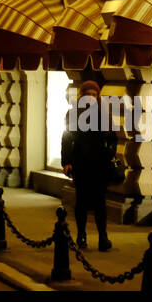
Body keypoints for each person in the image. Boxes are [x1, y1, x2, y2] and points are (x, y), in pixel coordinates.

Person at [60, 80, 117, 252]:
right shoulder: (73, 114)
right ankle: (81, 235)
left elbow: (112, 138)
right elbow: (66, 139)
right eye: (88, 94)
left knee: (100, 202)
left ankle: (103, 237)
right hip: (81, 162)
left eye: (94, 95)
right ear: (81, 96)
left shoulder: (104, 114)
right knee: (82, 202)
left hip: (99, 163)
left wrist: (109, 153)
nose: (91, 97)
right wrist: (67, 162)